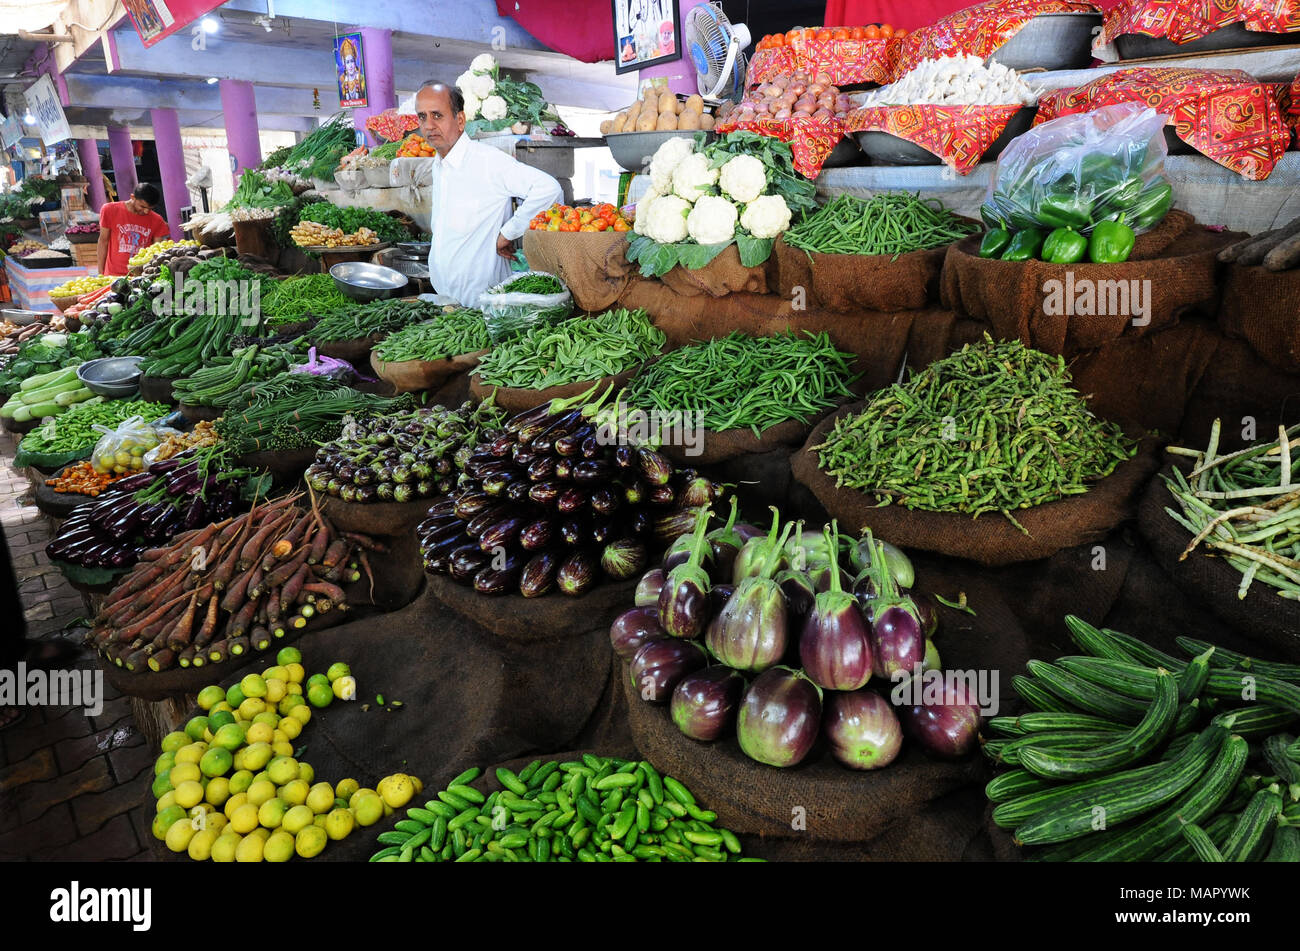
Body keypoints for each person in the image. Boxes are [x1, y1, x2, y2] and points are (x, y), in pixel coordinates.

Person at [414, 81, 562, 307]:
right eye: (422, 117)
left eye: (437, 115)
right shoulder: (439, 165)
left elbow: (548, 188)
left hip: (483, 306)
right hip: (448, 303)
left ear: (460, 120)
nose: (429, 125)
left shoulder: (487, 161)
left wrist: (508, 233)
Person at [97, 182, 169, 276]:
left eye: (150, 208)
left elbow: (157, 250)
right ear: (132, 197)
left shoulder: (157, 220)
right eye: (142, 206)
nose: (146, 211)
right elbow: (103, 241)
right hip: (113, 275)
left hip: (142, 276)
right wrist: (100, 272)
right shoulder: (110, 210)